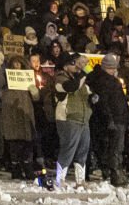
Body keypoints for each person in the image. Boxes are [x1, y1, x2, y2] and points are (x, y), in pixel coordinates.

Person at [49, 55, 93, 189]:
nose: (76, 66)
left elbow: (88, 89)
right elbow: (71, 87)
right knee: (68, 149)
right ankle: (59, 179)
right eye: (73, 63)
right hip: (68, 118)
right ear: (65, 66)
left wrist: (93, 97)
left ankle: (80, 181)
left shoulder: (78, 78)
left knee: (82, 150)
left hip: (83, 118)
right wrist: (83, 73)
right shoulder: (60, 78)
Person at [88, 51, 129, 185]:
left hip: (118, 118)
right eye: (112, 68)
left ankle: (115, 173)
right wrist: (110, 120)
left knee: (116, 148)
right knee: (116, 149)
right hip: (115, 119)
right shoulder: (106, 81)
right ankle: (116, 175)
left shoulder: (110, 80)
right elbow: (104, 103)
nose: (114, 70)